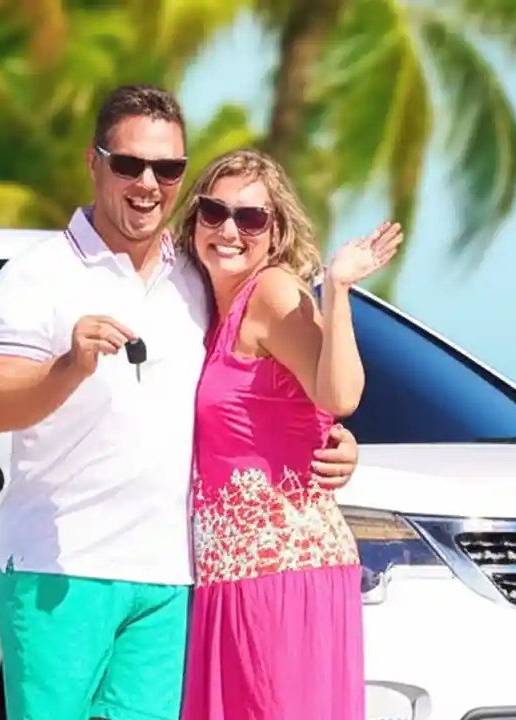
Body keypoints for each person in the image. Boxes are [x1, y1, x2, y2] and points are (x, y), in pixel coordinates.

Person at [0, 85, 361, 720]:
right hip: (60, 568)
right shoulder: (35, 275)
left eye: (168, 168)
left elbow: (262, 386)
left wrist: (328, 439)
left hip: (173, 577)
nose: (147, 183)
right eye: (129, 164)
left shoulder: (198, 277)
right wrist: (69, 367)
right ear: (94, 163)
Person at [175, 149, 402, 720]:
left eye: (250, 218)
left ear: (274, 234)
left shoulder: (273, 291)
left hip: (281, 569)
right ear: (195, 219)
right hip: (227, 573)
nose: (229, 230)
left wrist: (338, 287)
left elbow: (339, 396)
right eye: (214, 211)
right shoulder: (200, 311)